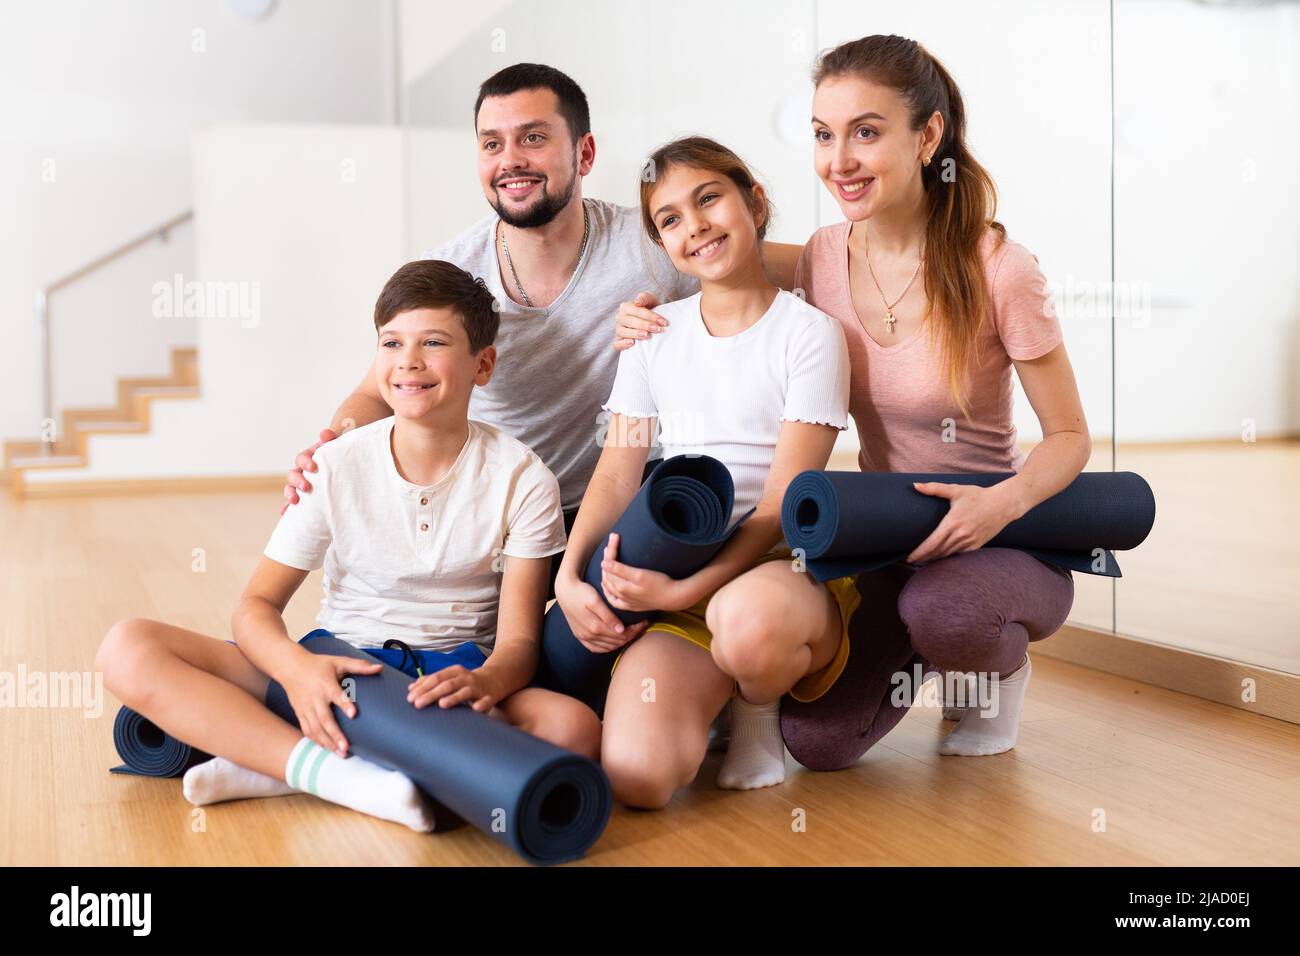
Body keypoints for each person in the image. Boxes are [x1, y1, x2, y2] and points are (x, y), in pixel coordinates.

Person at [614, 35, 1087, 766]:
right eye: (823, 135)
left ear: (928, 136)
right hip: (888, 535)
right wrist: (639, 311)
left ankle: (996, 671)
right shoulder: (822, 260)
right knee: (820, 744)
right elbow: (715, 251)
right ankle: (923, 645)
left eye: (866, 133)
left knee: (948, 612)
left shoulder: (1002, 270)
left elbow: (1070, 438)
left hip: (995, 531)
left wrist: (1002, 503)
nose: (839, 160)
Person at [98, 259, 598, 831]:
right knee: (127, 647)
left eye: (433, 342)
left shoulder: (524, 478)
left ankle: (281, 768)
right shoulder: (334, 465)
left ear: (481, 365)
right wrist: (297, 673)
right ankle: (337, 774)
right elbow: (254, 608)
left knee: (574, 731)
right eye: (391, 343)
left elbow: (517, 643)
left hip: (446, 682)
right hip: (336, 664)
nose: (408, 361)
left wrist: (485, 682)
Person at [556, 136, 857, 809]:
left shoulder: (810, 334)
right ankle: (712, 694)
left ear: (752, 200)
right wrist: (568, 575)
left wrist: (682, 588)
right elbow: (614, 475)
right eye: (669, 219)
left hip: (780, 577)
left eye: (708, 199)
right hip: (680, 577)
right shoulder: (652, 335)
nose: (694, 227)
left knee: (744, 624)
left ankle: (757, 705)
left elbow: (781, 503)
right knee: (638, 777)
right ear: (662, 245)